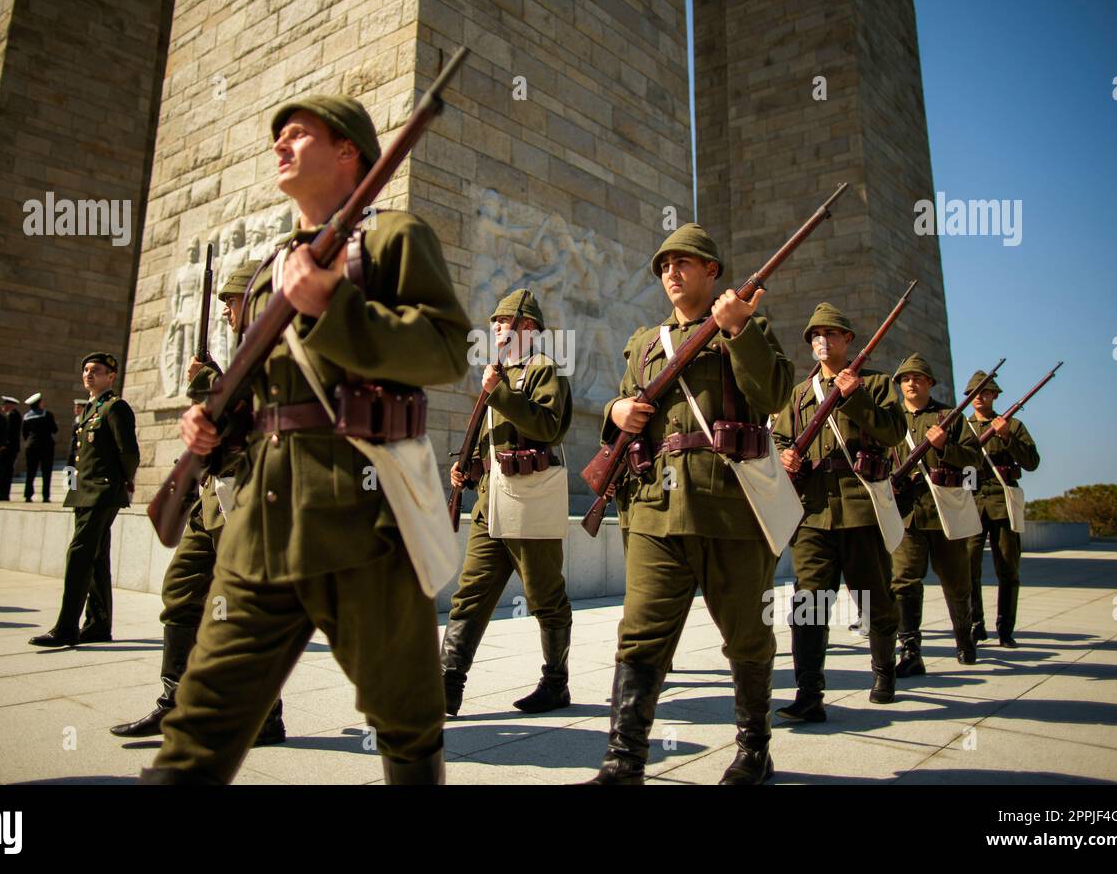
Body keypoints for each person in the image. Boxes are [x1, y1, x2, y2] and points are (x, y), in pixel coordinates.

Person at [144, 94, 470, 785]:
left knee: (408, 728)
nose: (280, 147)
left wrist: (335, 306)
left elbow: (444, 352)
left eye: (298, 134)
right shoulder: (268, 272)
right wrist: (212, 427)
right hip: (259, 528)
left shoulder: (392, 240)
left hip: (362, 524)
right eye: (278, 138)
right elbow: (261, 398)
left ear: (348, 150)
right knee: (198, 730)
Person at [585, 223, 793, 785]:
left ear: (712, 271)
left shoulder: (750, 328)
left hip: (730, 511)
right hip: (656, 510)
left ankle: (754, 750)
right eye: (664, 266)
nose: (671, 273)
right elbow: (628, 413)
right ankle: (623, 761)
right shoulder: (645, 344)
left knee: (748, 632)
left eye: (684, 263)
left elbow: (774, 396)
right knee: (641, 632)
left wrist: (739, 330)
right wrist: (614, 412)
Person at [110, 262, 286, 746]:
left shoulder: (279, 350)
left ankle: (266, 715)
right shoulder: (246, 351)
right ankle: (174, 702)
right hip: (213, 496)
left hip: (249, 499)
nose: (227, 311)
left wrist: (207, 382)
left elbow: (251, 416)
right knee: (182, 593)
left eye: (231, 301)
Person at [771, 303, 906, 724]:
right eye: (815, 335)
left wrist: (856, 398)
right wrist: (783, 455)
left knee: (874, 597)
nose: (822, 341)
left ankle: (884, 672)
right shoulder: (798, 394)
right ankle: (809, 693)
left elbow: (893, 432)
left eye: (830, 334)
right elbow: (778, 438)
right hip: (813, 512)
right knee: (807, 604)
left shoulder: (877, 384)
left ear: (848, 340)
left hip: (861, 507)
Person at [443, 289, 574, 716]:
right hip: (489, 504)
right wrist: (466, 470)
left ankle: (556, 683)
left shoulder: (543, 370)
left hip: (530, 500)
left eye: (509, 323)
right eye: (497, 323)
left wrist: (499, 392)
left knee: (544, 597)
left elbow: (549, 426)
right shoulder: (494, 376)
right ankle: (447, 684)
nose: (500, 328)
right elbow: (488, 446)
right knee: (470, 595)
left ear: (530, 329)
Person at [29, 353, 138, 648]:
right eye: (86, 370)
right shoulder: (89, 410)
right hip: (84, 493)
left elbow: (128, 453)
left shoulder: (115, 408)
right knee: (97, 558)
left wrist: (123, 483)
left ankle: (66, 627)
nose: (89, 375)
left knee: (78, 555)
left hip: (103, 492)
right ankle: (98, 624)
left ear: (111, 376)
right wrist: (71, 488)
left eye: (97, 371)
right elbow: (75, 457)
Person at [890, 354, 981, 674]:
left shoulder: (950, 417)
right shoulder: (891, 418)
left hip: (944, 511)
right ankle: (911, 652)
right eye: (905, 379)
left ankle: (963, 639)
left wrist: (945, 447)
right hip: (906, 513)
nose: (911, 383)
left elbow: (975, 463)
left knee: (956, 581)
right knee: (903, 582)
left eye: (917, 378)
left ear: (929, 382)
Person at [964, 370, 1041, 647]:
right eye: (975, 393)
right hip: (971, 503)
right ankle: (976, 624)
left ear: (994, 396)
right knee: (968, 568)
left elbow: (1032, 461)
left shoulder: (1014, 425)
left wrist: (1007, 436)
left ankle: (1005, 629)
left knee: (1008, 569)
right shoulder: (962, 427)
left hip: (1003, 502)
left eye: (985, 392)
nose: (980, 397)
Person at [21, 393, 58, 502]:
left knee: (30, 471)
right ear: (39, 403)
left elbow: (24, 434)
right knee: (46, 472)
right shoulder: (47, 415)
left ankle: (28, 495)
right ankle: (45, 496)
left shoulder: (27, 417)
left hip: (31, 446)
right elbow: (54, 429)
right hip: (46, 446)